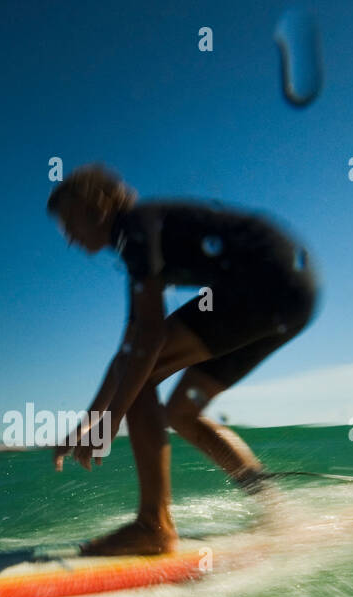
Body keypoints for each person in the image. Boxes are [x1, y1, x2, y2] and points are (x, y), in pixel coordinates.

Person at [48, 163, 319, 556]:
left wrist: (109, 423)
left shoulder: (134, 228)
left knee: (139, 379)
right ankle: (276, 509)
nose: (70, 237)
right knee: (180, 411)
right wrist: (93, 419)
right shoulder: (140, 238)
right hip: (294, 297)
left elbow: (147, 341)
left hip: (264, 286)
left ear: (101, 203)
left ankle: (153, 526)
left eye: (70, 221)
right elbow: (132, 342)